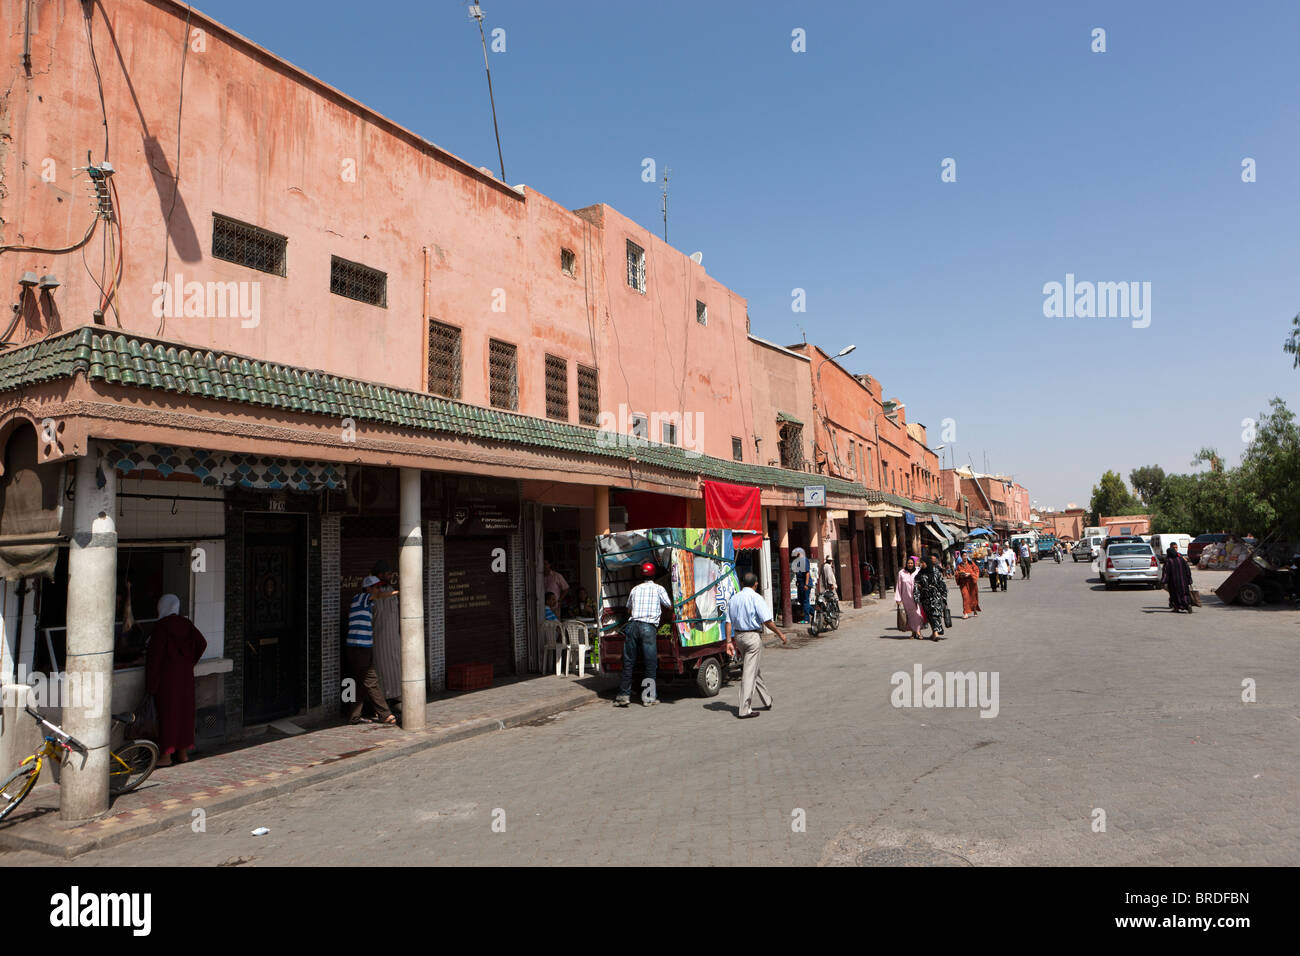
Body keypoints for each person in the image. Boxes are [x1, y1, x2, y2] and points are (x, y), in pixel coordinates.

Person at [146, 594, 207, 766]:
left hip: (167, 679)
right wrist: (189, 661)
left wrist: (151, 684)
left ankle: (165, 756)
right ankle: (183, 753)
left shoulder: (162, 627)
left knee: (168, 715)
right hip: (186, 677)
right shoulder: (186, 624)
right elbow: (202, 642)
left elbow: (154, 657)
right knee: (185, 714)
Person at [725, 572, 787, 718]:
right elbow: (767, 620)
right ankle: (744, 709)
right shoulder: (756, 598)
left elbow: (728, 622)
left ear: (741, 583)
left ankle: (766, 700)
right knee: (748, 672)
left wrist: (728, 641)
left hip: (739, 637)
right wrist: (779, 633)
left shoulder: (734, 599)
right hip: (752, 637)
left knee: (752, 668)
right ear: (756, 584)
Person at [616, 561, 672, 707]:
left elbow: (628, 609)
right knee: (650, 663)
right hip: (648, 627)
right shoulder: (659, 589)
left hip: (632, 626)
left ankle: (623, 695)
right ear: (654, 574)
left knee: (628, 662)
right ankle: (648, 698)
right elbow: (669, 605)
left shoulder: (635, 589)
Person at [346, 575, 399, 726]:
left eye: (379, 587)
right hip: (360, 648)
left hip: (356, 647)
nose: (378, 589)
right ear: (368, 588)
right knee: (371, 681)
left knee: (358, 681)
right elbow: (379, 596)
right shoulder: (362, 597)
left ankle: (353, 716)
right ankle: (385, 714)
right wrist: (395, 593)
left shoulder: (361, 602)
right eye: (376, 587)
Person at [369, 561, 402, 714]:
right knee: (380, 669)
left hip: (393, 637)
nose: (390, 576)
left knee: (395, 666)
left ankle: (395, 696)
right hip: (378, 639)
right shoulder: (371, 595)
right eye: (388, 573)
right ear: (380, 574)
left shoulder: (390, 589)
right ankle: (381, 701)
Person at [914, 552, 948, 640]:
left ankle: (936, 633)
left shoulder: (935, 572)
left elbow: (942, 584)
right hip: (925, 598)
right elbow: (916, 585)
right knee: (930, 616)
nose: (921, 564)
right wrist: (916, 597)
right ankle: (934, 632)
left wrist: (944, 597)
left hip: (936, 597)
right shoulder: (920, 574)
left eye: (923, 562)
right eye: (921, 563)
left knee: (935, 615)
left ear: (927, 562)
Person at [895, 555, 924, 640]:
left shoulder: (918, 571)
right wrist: (898, 598)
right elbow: (898, 585)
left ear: (914, 564)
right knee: (910, 615)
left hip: (917, 597)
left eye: (911, 563)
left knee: (918, 614)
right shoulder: (901, 573)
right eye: (908, 563)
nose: (910, 565)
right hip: (906, 598)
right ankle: (913, 632)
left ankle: (918, 632)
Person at [1160, 544, 1195, 612]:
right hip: (1183, 581)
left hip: (1173, 582)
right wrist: (1189, 578)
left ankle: (1176, 607)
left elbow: (1166, 572)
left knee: (1174, 594)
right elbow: (1187, 569)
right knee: (1185, 593)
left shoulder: (1168, 561)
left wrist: (1163, 581)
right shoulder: (1181, 559)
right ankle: (1188, 605)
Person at [954, 551, 982, 618]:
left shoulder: (971, 563)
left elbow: (976, 571)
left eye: (966, 556)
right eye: (963, 556)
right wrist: (961, 574)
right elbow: (956, 574)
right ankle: (965, 612)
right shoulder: (959, 565)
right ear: (961, 557)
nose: (965, 557)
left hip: (971, 583)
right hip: (963, 583)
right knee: (965, 597)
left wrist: (970, 574)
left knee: (973, 597)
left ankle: (974, 610)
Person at [791, 547, 810, 622]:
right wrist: (797, 580)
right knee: (800, 600)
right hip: (800, 583)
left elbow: (807, 573)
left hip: (805, 583)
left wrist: (806, 584)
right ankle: (813, 612)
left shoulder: (804, 560)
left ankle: (806, 619)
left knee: (805, 601)